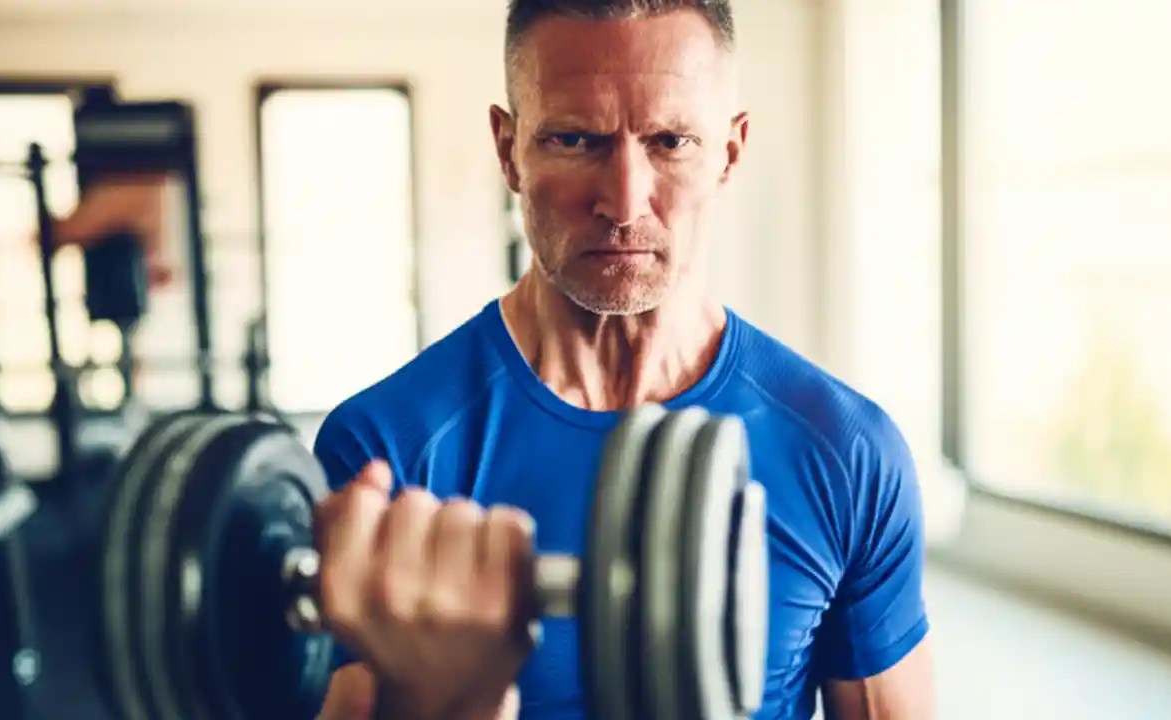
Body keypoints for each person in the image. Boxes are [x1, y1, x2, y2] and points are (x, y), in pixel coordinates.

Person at [310, 1, 935, 718]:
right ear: (508, 149)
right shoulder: (383, 451)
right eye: (576, 139)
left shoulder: (846, 452)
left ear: (730, 152)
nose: (624, 200)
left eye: (671, 142)